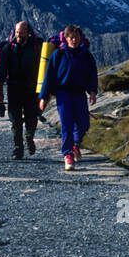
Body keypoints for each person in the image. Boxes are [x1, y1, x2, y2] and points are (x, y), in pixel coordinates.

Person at [39, 24, 98, 170]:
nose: (74, 40)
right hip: (63, 93)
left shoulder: (86, 55)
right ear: (65, 39)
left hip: (79, 93)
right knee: (67, 124)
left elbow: (92, 74)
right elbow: (49, 76)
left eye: (77, 37)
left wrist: (92, 91)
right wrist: (43, 97)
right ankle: (68, 154)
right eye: (71, 38)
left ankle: (76, 144)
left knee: (84, 123)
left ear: (81, 38)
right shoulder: (58, 54)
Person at [0, 19, 43, 159]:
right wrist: (0, 93)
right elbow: (1, 72)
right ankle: (18, 148)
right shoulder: (8, 49)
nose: (19, 35)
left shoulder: (36, 48)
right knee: (15, 120)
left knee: (31, 118)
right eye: (17, 32)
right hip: (14, 89)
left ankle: (29, 138)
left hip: (31, 89)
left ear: (28, 33)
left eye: (22, 33)